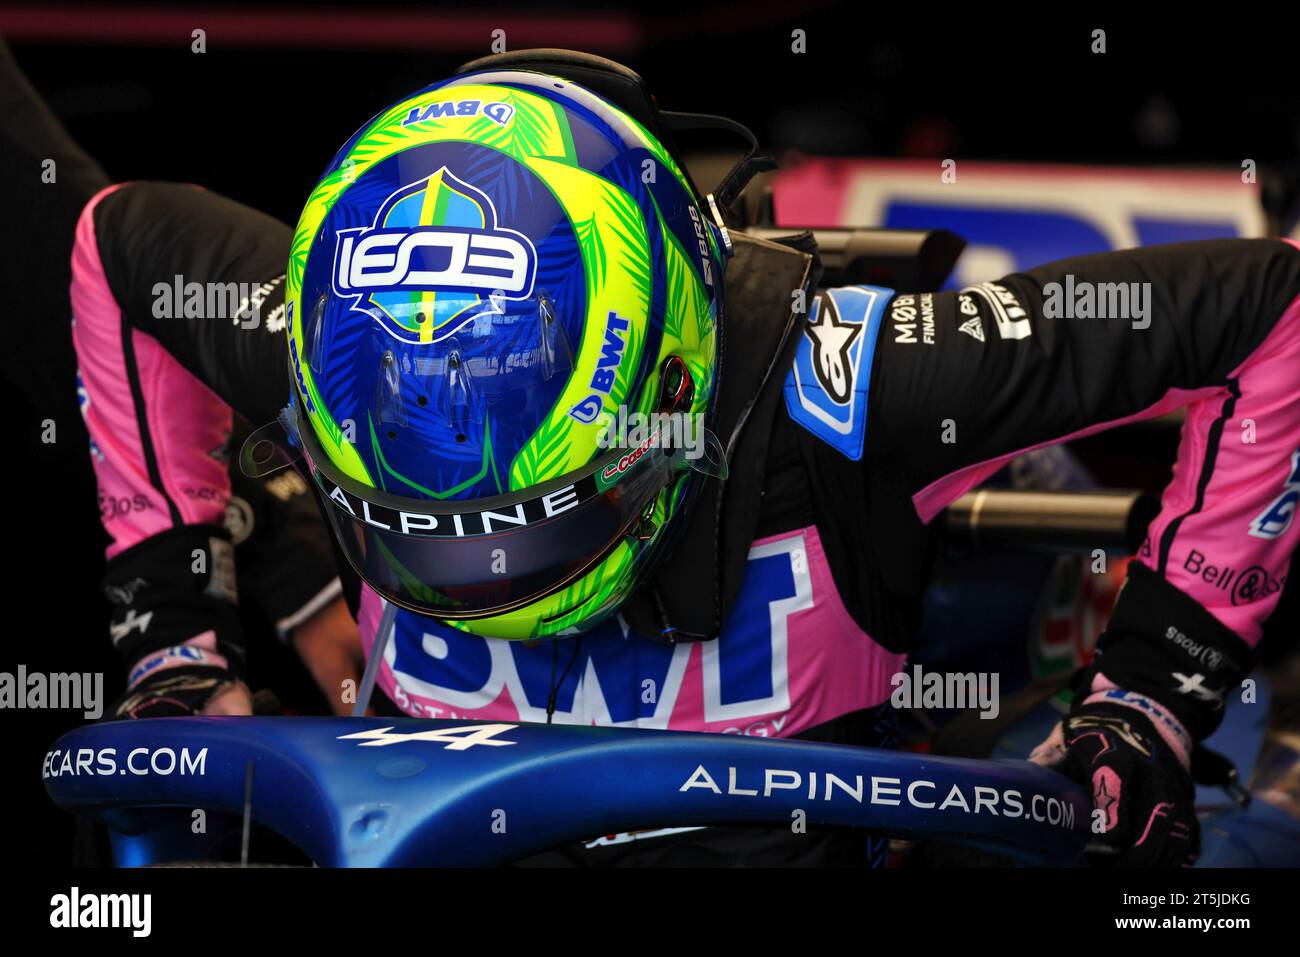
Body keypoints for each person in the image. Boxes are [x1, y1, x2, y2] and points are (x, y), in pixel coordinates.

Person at [15, 46, 1300, 867]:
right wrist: (175, 639)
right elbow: (113, 246)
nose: (481, 574)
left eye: (527, 507)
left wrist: (1151, 697)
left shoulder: (862, 380)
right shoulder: (314, 331)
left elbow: (1270, 308)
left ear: (669, 376)